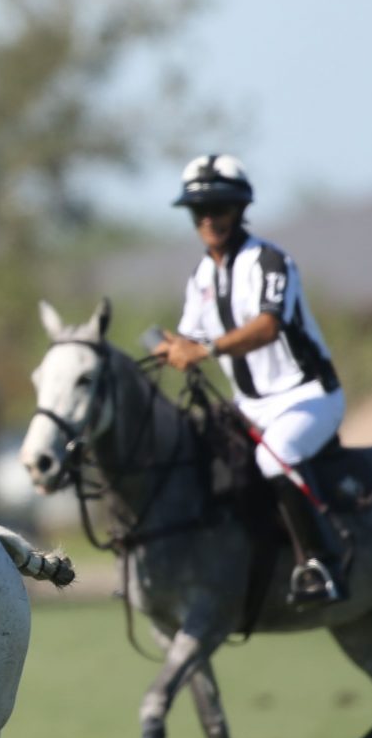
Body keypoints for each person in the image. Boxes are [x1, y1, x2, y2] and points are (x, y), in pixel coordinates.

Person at [148, 153, 350, 605]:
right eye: (198, 211)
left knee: (274, 458)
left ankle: (320, 565)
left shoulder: (270, 261)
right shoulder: (202, 275)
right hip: (251, 405)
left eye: (217, 208)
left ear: (240, 209)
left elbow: (267, 326)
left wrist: (205, 350)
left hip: (308, 396)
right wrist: (169, 346)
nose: (208, 219)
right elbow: (190, 337)